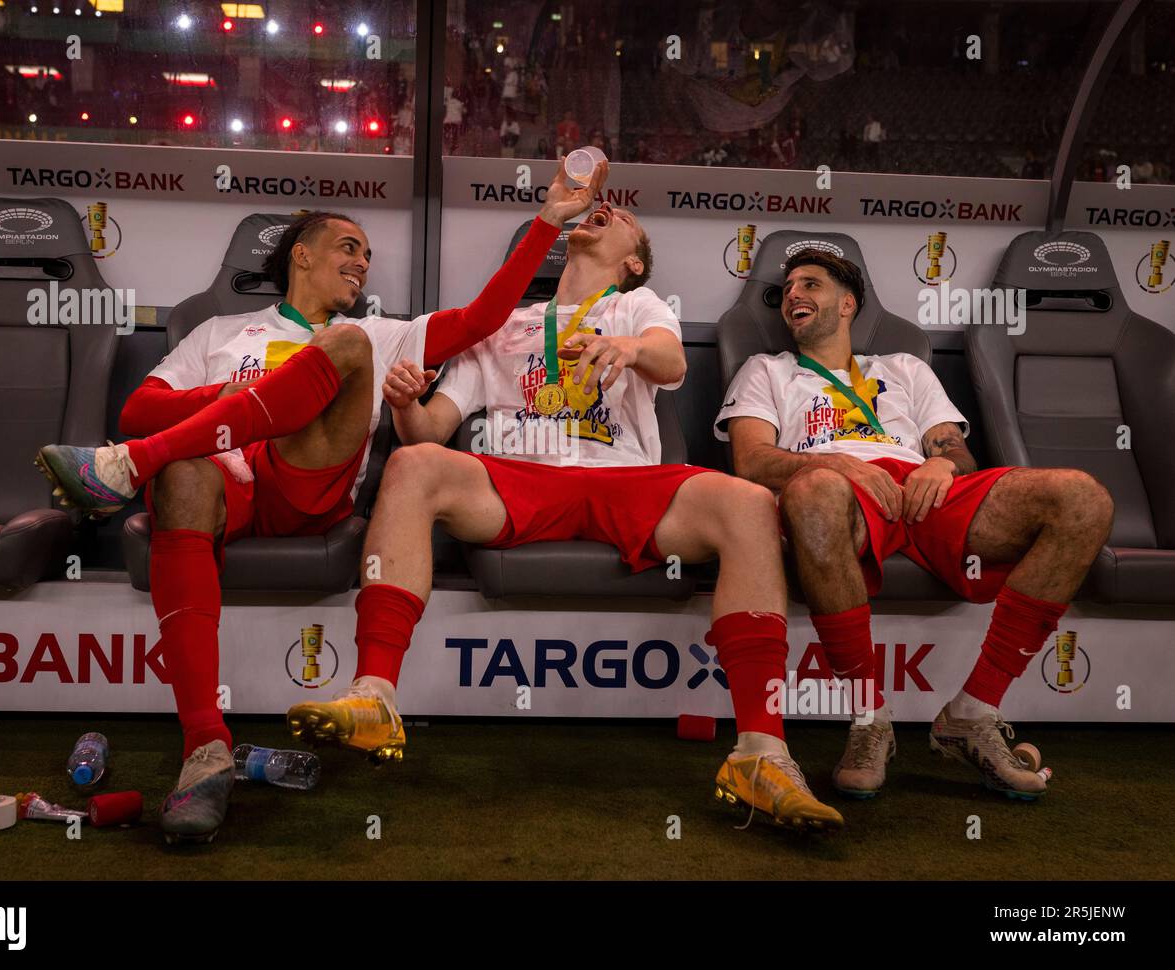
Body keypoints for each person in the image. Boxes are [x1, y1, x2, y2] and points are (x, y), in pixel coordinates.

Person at [33, 164, 609, 844]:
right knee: (183, 475)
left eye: (367, 254)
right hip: (225, 487)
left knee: (348, 341)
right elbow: (139, 405)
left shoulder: (380, 331)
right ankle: (205, 750)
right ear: (299, 254)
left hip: (311, 485)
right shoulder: (220, 332)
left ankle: (126, 467)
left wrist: (548, 220)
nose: (361, 263)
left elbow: (483, 319)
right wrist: (230, 401)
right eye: (347, 247)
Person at [286, 203, 846, 832]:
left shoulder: (639, 306)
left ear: (633, 261)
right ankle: (375, 696)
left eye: (624, 215)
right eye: (600, 206)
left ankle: (760, 752)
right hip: (520, 476)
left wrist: (626, 347)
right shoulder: (502, 326)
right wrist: (406, 404)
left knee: (748, 502)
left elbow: (672, 362)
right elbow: (434, 430)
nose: (604, 209)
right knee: (414, 463)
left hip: (624, 477)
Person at [716, 249, 1114, 801]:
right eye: (786, 289)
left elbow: (957, 452)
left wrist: (942, 462)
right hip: (840, 494)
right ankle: (868, 719)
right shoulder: (765, 370)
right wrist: (834, 461)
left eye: (811, 284)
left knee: (1081, 497)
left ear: (849, 303)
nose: (793, 295)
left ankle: (973, 712)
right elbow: (752, 461)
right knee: (811, 491)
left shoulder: (904, 367)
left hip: (922, 490)